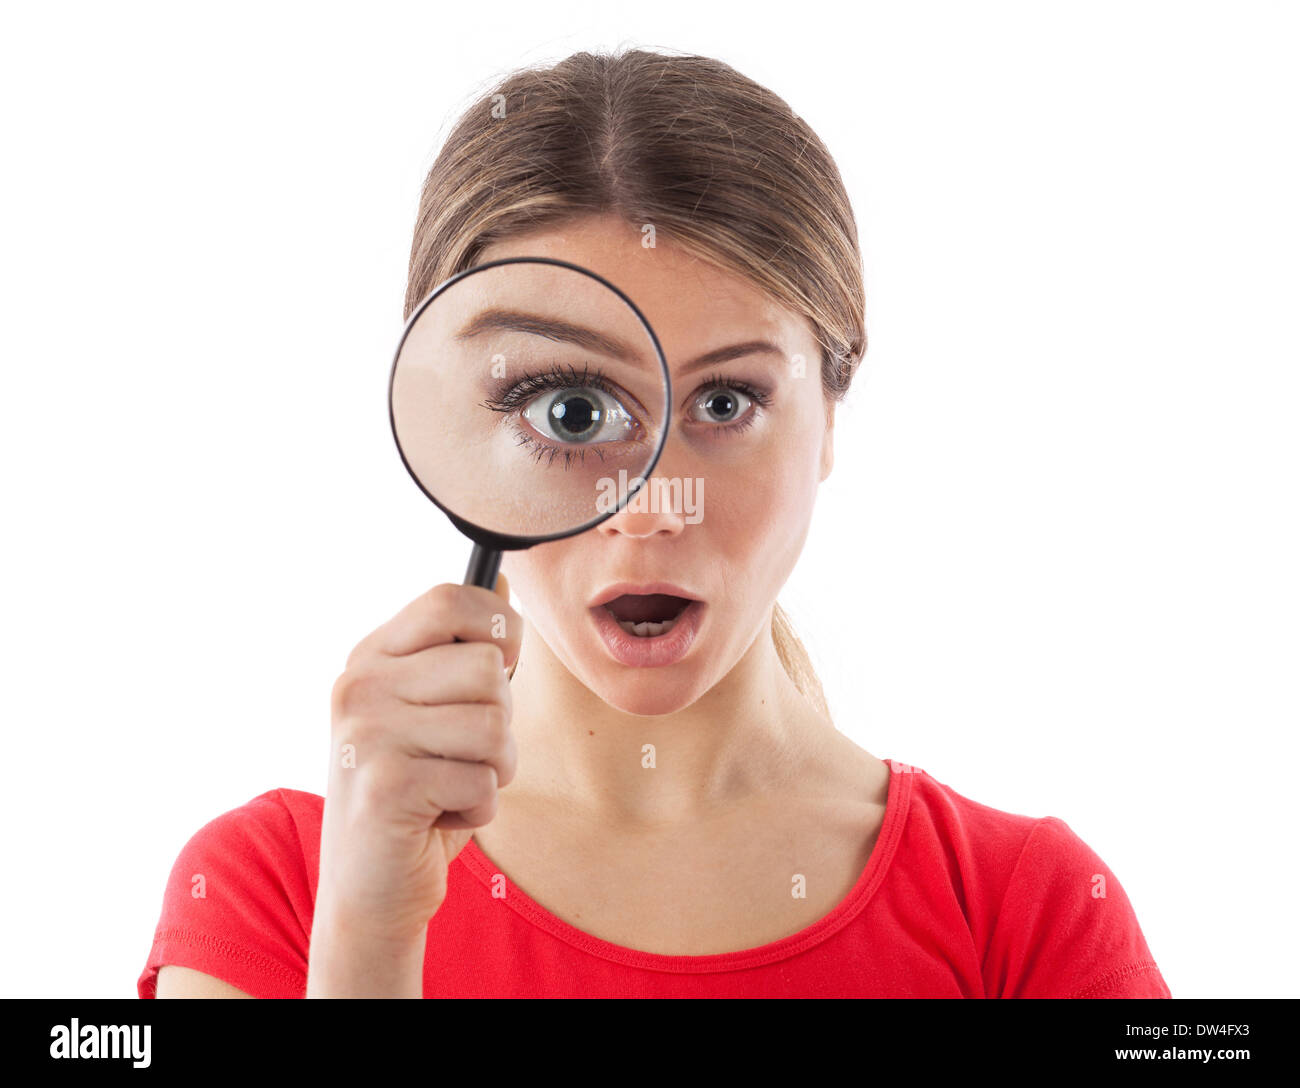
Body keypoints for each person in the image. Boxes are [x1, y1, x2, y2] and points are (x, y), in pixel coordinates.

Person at [139, 48, 1170, 999]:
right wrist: (365, 936)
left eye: (724, 404)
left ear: (829, 418)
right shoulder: (274, 891)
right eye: (570, 410)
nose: (648, 508)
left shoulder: (1025, 913)